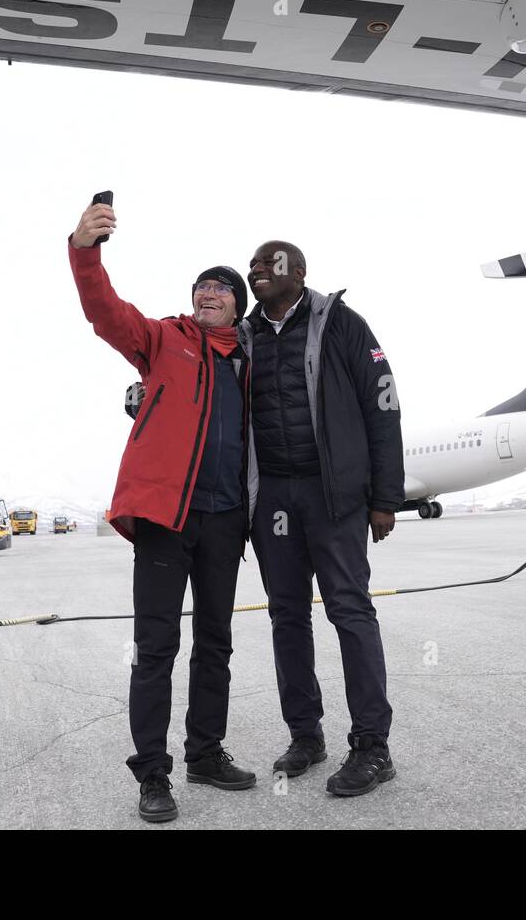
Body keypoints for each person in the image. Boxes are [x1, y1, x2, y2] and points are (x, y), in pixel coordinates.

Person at [68, 199, 256, 823]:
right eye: (202, 287)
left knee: (217, 643)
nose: (209, 294)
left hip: (227, 520)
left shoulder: (249, 363)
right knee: (156, 648)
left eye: (222, 289)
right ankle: (153, 775)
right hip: (164, 519)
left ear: (238, 306)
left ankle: (205, 752)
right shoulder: (162, 340)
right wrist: (85, 248)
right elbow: (104, 312)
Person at [242, 240, 404, 797]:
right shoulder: (244, 337)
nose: (257, 269)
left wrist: (385, 497)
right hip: (274, 502)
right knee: (287, 617)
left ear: (300, 271)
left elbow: (383, 406)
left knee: (350, 611)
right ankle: (306, 736)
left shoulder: (342, 324)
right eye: (253, 265)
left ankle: (373, 747)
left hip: (334, 496)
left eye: (269, 262)